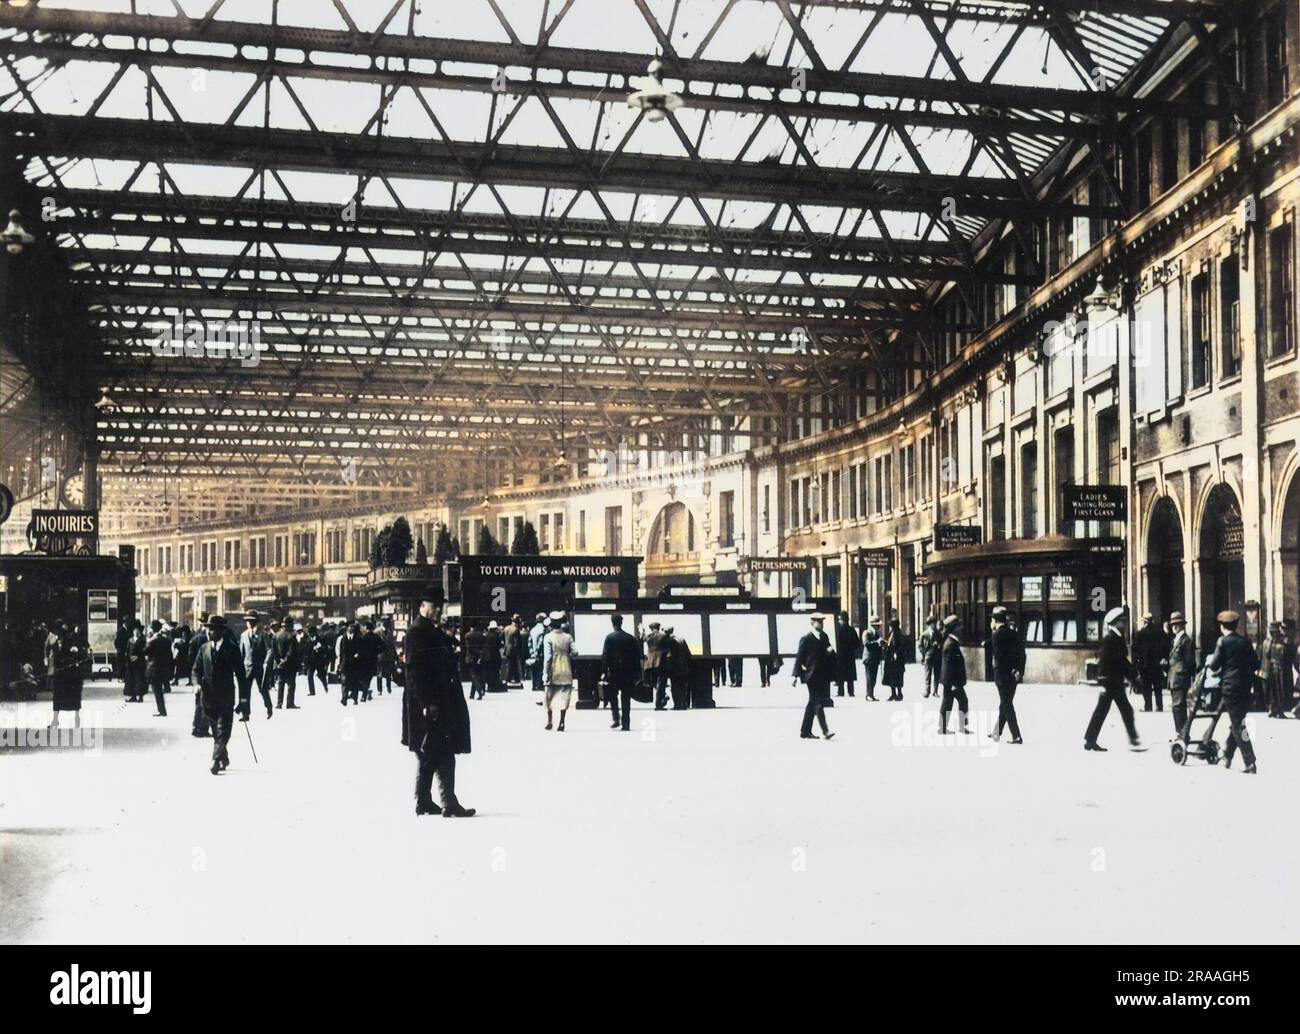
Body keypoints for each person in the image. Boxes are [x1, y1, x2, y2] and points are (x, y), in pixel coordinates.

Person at [402, 598, 474, 817]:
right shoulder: (416, 633)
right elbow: (414, 672)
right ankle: (447, 803)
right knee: (440, 752)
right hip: (429, 704)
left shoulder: (431, 631)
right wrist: (425, 703)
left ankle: (424, 800)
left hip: (438, 702)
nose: (437, 611)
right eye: (434, 607)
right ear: (422, 606)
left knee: (430, 753)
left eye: (439, 608)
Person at [191, 615, 247, 776]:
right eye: (209, 629)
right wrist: (196, 684)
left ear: (221, 631)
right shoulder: (204, 648)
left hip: (226, 696)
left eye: (213, 629)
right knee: (216, 730)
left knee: (223, 730)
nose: (210, 632)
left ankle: (215, 761)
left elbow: (241, 675)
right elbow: (196, 669)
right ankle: (223, 756)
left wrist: (244, 699)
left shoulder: (232, 648)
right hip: (207, 698)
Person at [1204, 610, 1259, 773]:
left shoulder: (1223, 642)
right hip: (1244, 688)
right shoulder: (1245, 642)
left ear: (1222, 626)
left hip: (1230, 688)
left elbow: (1214, 665)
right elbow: (1255, 664)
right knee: (1238, 721)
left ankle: (1250, 762)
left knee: (1237, 725)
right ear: (1236, 625)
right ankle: (1227, 756)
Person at [1084, 606, 1143, 752]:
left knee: (1109, 710)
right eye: (1122, 621)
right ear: (1115, 623)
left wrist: (1133, 675)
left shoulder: (1117, 637)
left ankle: (1090, 740)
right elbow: (1105, 661)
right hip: (1109, 682)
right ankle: (1133, 740)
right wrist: (1102, 681)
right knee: (1115, 710)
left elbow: (1121, 660)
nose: (1124, 623)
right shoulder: (1110, 638)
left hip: (1114, 682)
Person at [987, 606, 1025, 743]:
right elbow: (1022, 654)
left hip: (1002, 675)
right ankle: (997, 732)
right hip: (1014, 675)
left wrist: (1010, 670)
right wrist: (1018, 670)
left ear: (995, 620)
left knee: (1007, 704)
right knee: (1005, 703)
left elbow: (1000, 656)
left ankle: (1016, 735)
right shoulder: (1014, 634)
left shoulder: (996, 635)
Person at [794, 614, 834, 740]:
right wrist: (795, 676)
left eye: (822, 621)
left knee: (812, 703)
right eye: (818, 622)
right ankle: (825, 731)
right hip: (810, 676)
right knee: (817, 702)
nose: (821, 624)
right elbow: (799, 657)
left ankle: (805, 731)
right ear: (812, 623)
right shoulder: (806, 638)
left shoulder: (824, 636)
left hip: (821, 675)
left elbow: (829, 652)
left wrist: (831, 652)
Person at [601, 614, 642, 731]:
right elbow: (636, 656)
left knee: (613, 696)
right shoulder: (631, 638)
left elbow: (605, 656)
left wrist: (604, 671)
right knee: (626, 697)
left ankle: (616, 717)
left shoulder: (610, 637)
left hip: (613, 672)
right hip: (628, 672)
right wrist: (637, 673)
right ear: (621, 622)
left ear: (612, 623)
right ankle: (626, 723)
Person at [48, 621, 87, 730]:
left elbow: (82, 654)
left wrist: (75, 653)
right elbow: (55, 656)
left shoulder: (74, 639)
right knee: (57, 697)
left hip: (71, 673)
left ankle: (76, 720)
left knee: (74, 697)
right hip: (60, 673)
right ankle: (55, 720)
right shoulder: (56, 640)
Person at [543, 614, 577, 731]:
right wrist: (567, 655)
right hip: (566, 668)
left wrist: (545, 673)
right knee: (564, 696)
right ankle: (562, 722)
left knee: (549, 696)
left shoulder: (548, 637)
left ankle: (550, 721)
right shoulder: (568, 637)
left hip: (553, 668)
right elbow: (575, 652)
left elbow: (547, 658)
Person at [937, 615, 971, 734]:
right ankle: (960, 726)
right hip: (953, 681)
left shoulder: (951, 642)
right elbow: (949, 665)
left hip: (951, 681)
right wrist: (953, 683)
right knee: (961, 701)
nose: (960, 628)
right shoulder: (951, 644)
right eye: (958, 626)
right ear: (954, 628)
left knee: (948, 701)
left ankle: (943, 727)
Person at [1165, 611, 1195, 736]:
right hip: (1174, 677)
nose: (1174, 627)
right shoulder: (1175, 640)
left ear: (1183, 625)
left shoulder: (1186, 640)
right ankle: (1181, 732)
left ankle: (1181, 733)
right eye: (1173, 624)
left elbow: (1189, 661)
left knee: (1178, 707)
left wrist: (1187, 675)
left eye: (1177, 624)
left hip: (1180, 677)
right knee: (1177, 707)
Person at [238, 613, 273, 721]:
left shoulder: (263, 634)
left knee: (263, 689)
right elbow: (241, 653)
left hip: (259, 667)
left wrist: (266, 661)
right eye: (247, 621)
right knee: (245, 690)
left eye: (251, 621)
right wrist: (239, 666)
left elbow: (269, 650)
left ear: (255, 622)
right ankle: (245, 714)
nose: (249, 623)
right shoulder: (243, 635)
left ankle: (269, 707)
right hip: (247, 667)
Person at [1132, 612, 1166, 712]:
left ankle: (1148, 706)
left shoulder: (1140, 633)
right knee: (1157, 686)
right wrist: (1162, 658)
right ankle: (1159, 706)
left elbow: (1135, 649)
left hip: (1145, 665)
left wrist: (1136, 663)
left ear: (1144, 622)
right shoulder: (1159, 632)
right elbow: (1165, 645)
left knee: (1146, 687)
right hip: (1156, 664)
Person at [144, 619, 172, 717]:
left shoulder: (152, 640)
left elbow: (145, 651)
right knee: (159, 690)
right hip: (163, 668)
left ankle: (161, 710)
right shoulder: (166, 640)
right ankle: (161, 709)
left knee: (157, 690)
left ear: (152, 629)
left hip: (154, 668)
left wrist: (148, 639)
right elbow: (170, 655)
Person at [270, 620, 300, 709]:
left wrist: (279, 661)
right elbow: (291, 652)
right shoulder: (291, 637)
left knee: (280, 683)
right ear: (289, 626)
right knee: (291, 684)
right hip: (290, 664)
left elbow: (273, 651)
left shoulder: (275, 635)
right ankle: (290, 703)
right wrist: (285, 661)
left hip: (279, 664)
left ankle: (279, 704)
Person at [881, 618, 912, 701]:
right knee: (891, 676)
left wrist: (897, 652)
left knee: (897, 676)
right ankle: (893, 694)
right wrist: (885, 644)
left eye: (891, 625)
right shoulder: (890, 633)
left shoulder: (898, 634)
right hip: (890, 659)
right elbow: (889, 643)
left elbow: (902, 645)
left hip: (897, 660)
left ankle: (899, 693)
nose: (890, 627)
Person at [1263, 620, 1289, 719]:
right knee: (1270, 690)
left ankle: (1280, 710)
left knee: (1280, 690)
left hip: (1279, 669)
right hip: (1269, 669)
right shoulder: (1267, 642)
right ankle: (1271, 708)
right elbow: (1265, 655)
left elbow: (1285, 657)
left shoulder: (1283, 642)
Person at [833, 612, 862, 698]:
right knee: (850, 675)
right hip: (850, 656)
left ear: (842, 620)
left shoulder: (838, 630)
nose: (839, 621)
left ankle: (840, 692)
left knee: (840, 675)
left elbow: (835, 643)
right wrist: (851, 649)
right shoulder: (852, 630)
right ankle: (851, 692)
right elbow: (857, 643)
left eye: (839, 619)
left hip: (840, 656)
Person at [337, 623, 366, 706]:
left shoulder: (358, 638)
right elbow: (341, 653)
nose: (351, 629)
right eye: (350, 627)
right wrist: (340, 664)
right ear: (347, 628)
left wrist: (358, 654)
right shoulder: (343, 638)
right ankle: (344, 698)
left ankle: (355, 698)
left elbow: (361, 650)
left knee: (354, 681)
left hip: (355, 664)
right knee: (344, 681)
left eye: (353, 627)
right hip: (346, 664)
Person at [644, 621, 670, 709]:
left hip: (650, 662)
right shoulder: (663, 636)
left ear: (651, 628)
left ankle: (662, 698)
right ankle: (659, 704)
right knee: (662, 683)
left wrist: (641, 631)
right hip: (660, 661)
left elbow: (642, 638)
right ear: (658, 627)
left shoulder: (648, 636)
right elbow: (668, 648)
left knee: (654, 682)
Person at [667, 627, 692, 709]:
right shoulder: (682, 639)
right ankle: (684, 703)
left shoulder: (669, 641)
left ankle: (677, 704)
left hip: (673, 667)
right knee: (683, 686)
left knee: (674, 686)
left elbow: (669, 655)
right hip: (683, 666)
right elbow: (688, 654)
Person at [919, 615, 942, 700]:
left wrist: (939, 645)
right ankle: (927, 691)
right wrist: (923, 654)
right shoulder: (924, 634)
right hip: (928, 656)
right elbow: (920, 645)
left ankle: (935, 691)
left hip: (937, 656)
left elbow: (942, 644)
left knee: (937, 674)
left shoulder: (938, 634)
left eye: (935, 624)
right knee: (928, 674)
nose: (934, 625)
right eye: (933, 624)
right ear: (929, 624)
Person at [463, 623, 487, 700]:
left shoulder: (467, 635)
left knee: (474, 676)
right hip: (478, 658)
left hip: (470, 658)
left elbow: (469, 647)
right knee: (476, 675)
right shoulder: (482, 636)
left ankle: (480, 691)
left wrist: (477, 652)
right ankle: (472, 694)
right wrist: (480, 654)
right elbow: (484, 647)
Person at [862, 616, 883, 701]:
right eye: (877, 625)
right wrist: (877, 642)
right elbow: (866, 643)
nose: (879, 627)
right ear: (873, 625)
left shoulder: (877, 634)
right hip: (869, 658)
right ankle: (868, 694)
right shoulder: (867, 633)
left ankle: (871, 694)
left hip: (875, 658)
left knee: (873, 678)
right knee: (869, 677)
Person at [527, 613, 548, 694]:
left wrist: (532, 653)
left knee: (534, 669)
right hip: (541, 654)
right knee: (541, 669)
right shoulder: (543, 630)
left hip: (533, 654)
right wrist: (538, 652)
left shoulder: (532, 629)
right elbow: (541, 642)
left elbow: (529, 642)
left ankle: (533, 684)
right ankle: (539, 685)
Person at [503, 614, 524, 689]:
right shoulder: (516, 629)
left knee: (512, 665)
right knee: (512, 666)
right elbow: (516, 643)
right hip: (513, 650)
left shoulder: (506, 628)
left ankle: (516, 679)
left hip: (507, 649)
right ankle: (508, 679)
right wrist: (518, 652)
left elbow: (504, 639)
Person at [483, 621, 504, 694]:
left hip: (487, 656)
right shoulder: (497, 636)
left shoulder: (486, 635)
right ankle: (494, 686)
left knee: (488, 671)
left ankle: (489, 686)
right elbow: (500, 645)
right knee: (495, 671)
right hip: (495, 656)